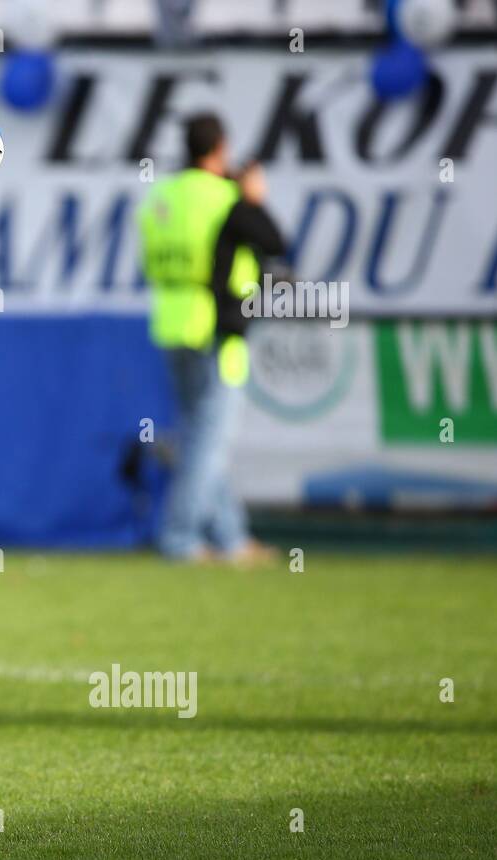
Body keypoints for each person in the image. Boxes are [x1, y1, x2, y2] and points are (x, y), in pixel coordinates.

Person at [138, 112, 285, 565]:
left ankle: (230, 537)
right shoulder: (226, 197)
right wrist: (253, 198)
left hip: (169, 319)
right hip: (214, 325)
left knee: (199, 436)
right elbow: (274, 242)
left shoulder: (160, 196)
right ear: (220, 148)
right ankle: (181, 538)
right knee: (210, 439)